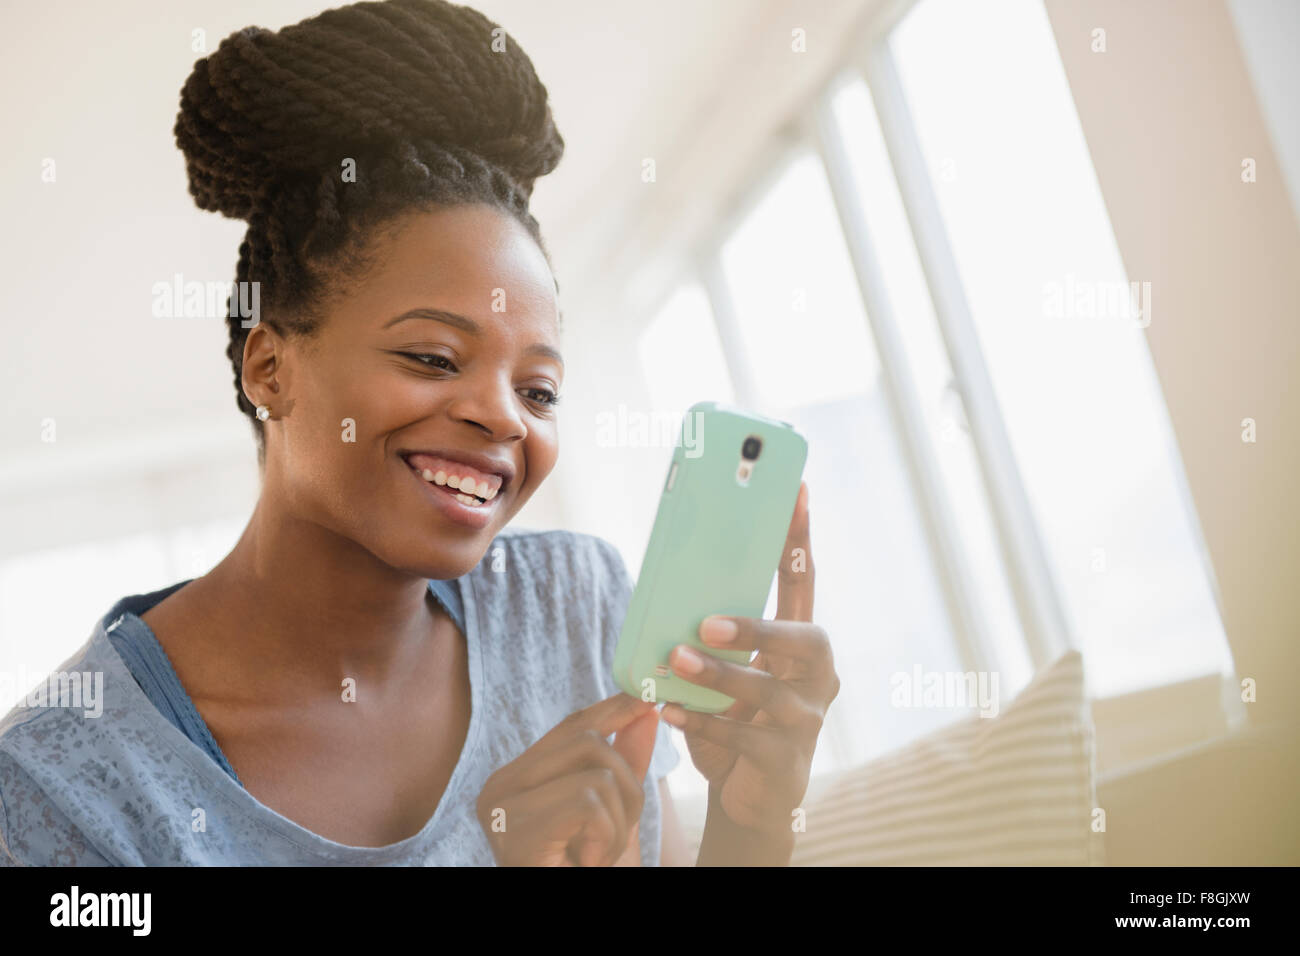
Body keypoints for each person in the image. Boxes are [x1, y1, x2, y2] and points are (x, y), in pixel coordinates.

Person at [0, 0, 838, 866]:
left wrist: (752, 821)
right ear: (269, 369)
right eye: (435, 357)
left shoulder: (573, 610)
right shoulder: (61, 787)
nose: (505, 416)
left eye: (539, 390)